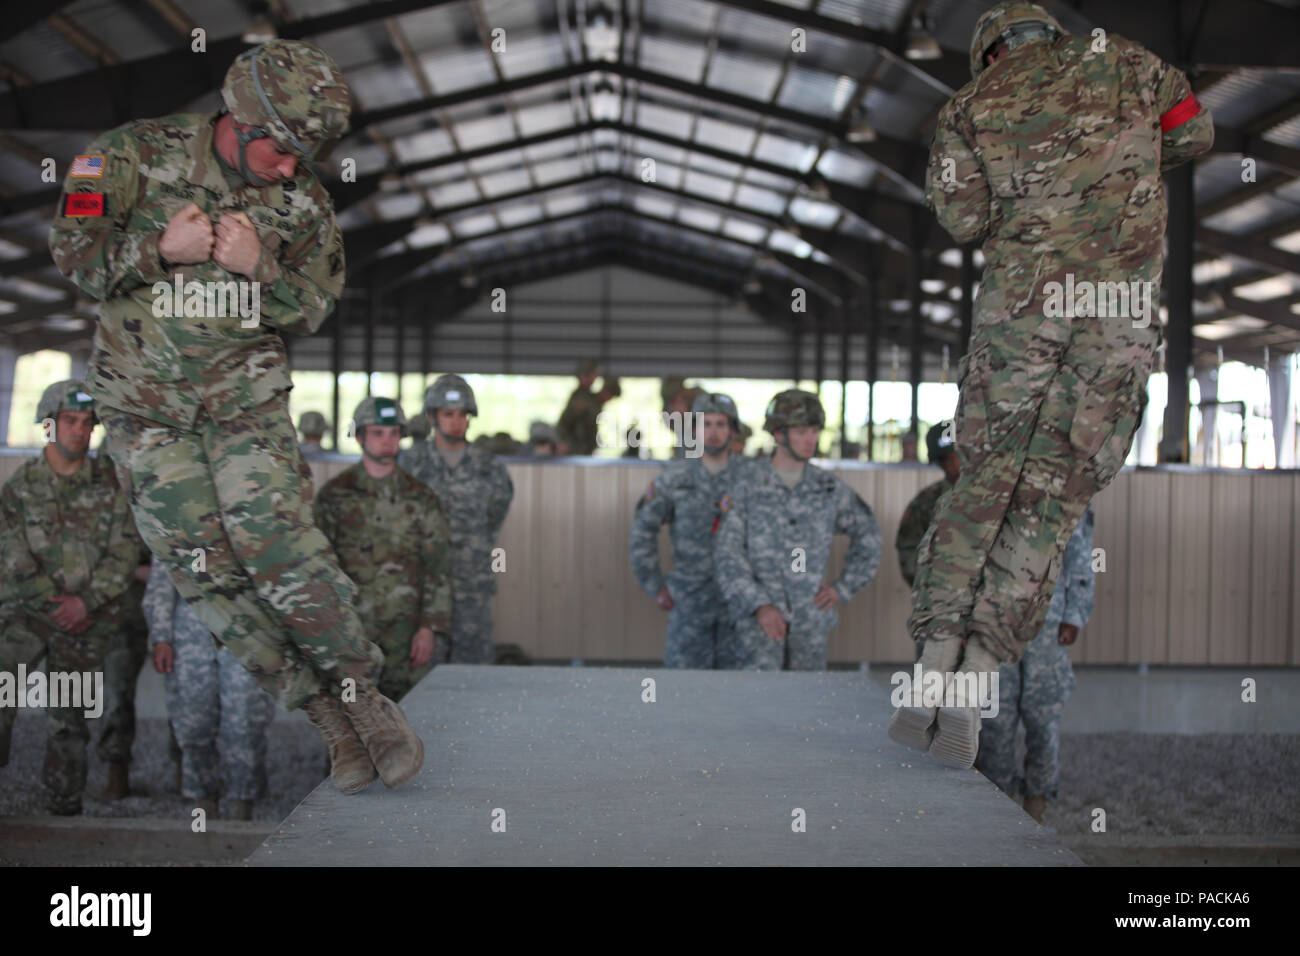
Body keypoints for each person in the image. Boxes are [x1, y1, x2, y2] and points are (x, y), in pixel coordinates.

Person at [47, 39, 424, 795]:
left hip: (242, 405)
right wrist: (160, 248)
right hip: (147, 415)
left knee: (280, 546)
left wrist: (263, 268)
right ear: (241, 122)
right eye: (282, 151)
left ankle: (364, 698)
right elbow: (71, 253)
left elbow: (314, 305)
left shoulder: (302, 202)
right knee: (207, 574)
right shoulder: (125, 156)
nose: (292, 168)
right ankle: (321, 709)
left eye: (303, 156)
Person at [895, 2, 1214, 769]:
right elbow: (1195, 133)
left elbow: (964, 219)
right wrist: (1114, 171)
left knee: (982, 489)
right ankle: (977, 679)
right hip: (1116, 324)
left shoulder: (969, 108)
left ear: (989, 52)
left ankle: (934, 666)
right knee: (1047, 507)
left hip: (1023, 320)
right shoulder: (1137, 64)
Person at [0, 382, 142, 814]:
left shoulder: (111, 484)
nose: (80, 431)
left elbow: (126, 550)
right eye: (70, 421)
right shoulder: (21, 485)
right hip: (25, 616)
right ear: (48, 424)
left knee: (68, 721)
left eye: (87, 423)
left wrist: (85, 604)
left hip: (85, 622)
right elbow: (11, 552)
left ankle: (63, 809)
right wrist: (52, 602)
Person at [714, 390, 882, 670]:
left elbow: (869, 536)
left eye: (815, 431)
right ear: (779, 435)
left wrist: (843, 587)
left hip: (809, 628)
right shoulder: (746, 487)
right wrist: (760, 605)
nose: (810, 440)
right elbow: (727, 554)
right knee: (757, 708)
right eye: (801, 431)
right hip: (758, 630)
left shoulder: (828, 488)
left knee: (808, 707)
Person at [315, 397, 452, 700]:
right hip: (351, 632)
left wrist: (429, 628)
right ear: (360, 436)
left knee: (408, 715)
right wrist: (328, 630)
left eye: (393, 433)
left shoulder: (421, 497)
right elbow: (319, 568)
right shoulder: (335, 496)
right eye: (378, 433)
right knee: (349, 715)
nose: (387, 441)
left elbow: (437, 566)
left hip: (405, 634)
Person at [977, 506, 1094, 823]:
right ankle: (997, 811)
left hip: (1047, 625)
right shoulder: (997, 478)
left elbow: (1080, 553)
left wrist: (1074, 614)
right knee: (994, 719)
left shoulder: (1065, 486)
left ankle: (1036, 809)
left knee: (1043, 719)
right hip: (996, 622)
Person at [145, 555, 274, 820]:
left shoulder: (252, 512)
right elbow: (162, 577)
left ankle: (242, 811)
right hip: (190, 633)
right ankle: (203, 804)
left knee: (245, 725)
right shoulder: (174, 514)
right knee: (193, 724)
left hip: (247, 630)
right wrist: (161, 637)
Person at [629, 392, 751, 668]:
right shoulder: (675, 478)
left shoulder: (753, 477)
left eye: (721, 424)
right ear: (694, 429)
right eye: (706, 424)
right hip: (689, 603)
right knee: (684, 694)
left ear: (733, 431)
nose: (714, 432)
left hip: (742, 608)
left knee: (741, 695)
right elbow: (642, 531)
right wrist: (655, 585)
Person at [399, 375, 513, 664]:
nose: (456, 421)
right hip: (420, 588)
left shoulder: (488, 466)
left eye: (462, 415)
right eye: (448, 414)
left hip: (471, 585)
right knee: (420, 674)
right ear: (432, 417)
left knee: (473, 675)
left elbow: (496, 513)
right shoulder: (411, 462)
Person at [895, 421, 960, 589]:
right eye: (946, 460)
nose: (955, 465)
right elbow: (907, 552)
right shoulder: (925, 502)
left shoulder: (998, 495)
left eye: (959, 456)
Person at [556, 359, 603, 455]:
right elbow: (564, 423)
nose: (595, 378)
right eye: (593, 375)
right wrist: (564, 442)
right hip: (576, 448)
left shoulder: (589, 396)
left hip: (584, 447)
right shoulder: (580, 397)